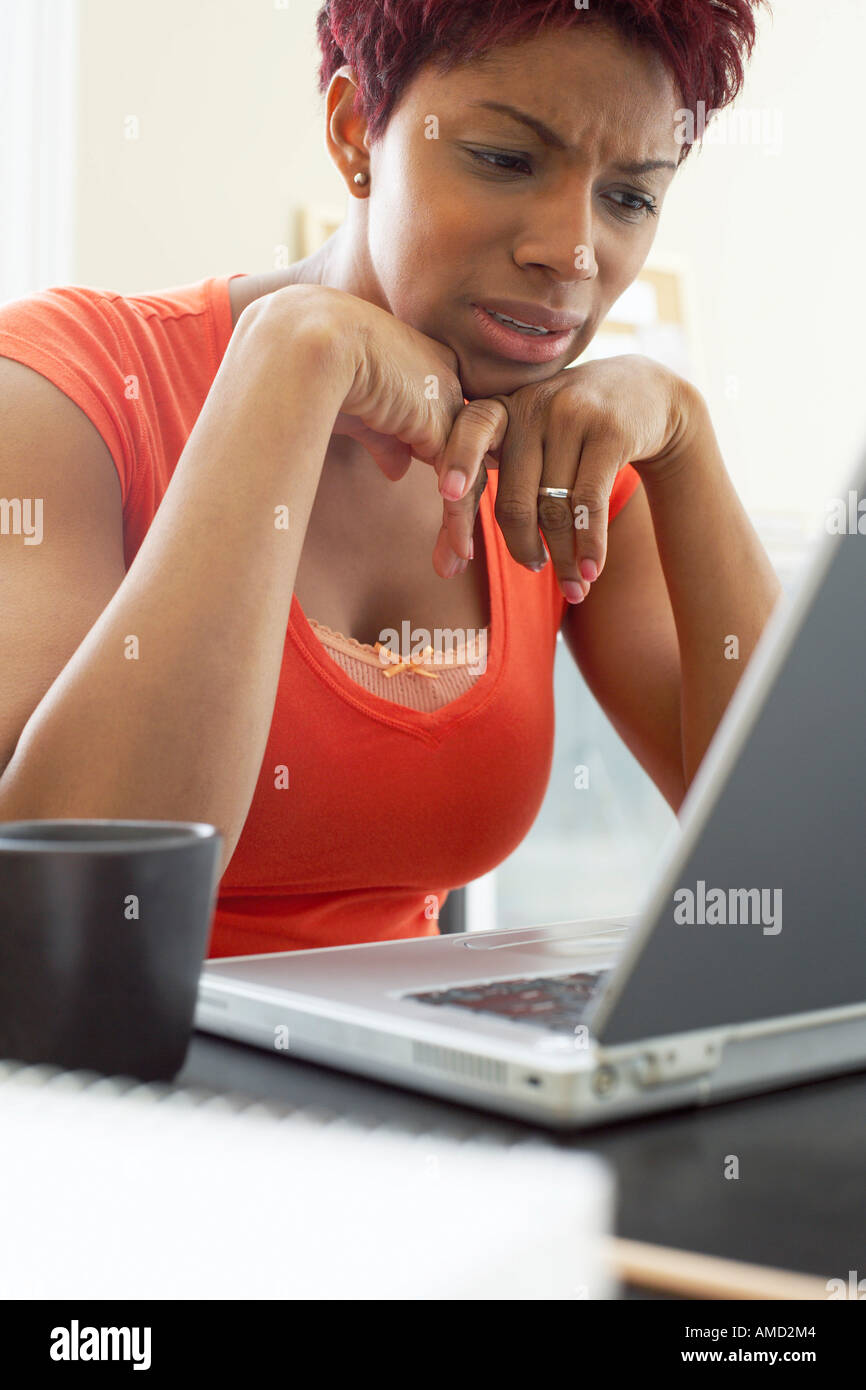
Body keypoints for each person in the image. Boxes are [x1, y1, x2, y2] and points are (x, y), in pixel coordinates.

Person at [0, 0, 781, 956]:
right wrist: (289, 364)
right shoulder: (63, 389)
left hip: (408, 1087)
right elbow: (63, 919)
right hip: (98, 1089)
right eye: (505, 159)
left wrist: (687, 442)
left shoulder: (571, 471)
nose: (571, 253)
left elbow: (792, 879)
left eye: (629, 198)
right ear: (353, 130)